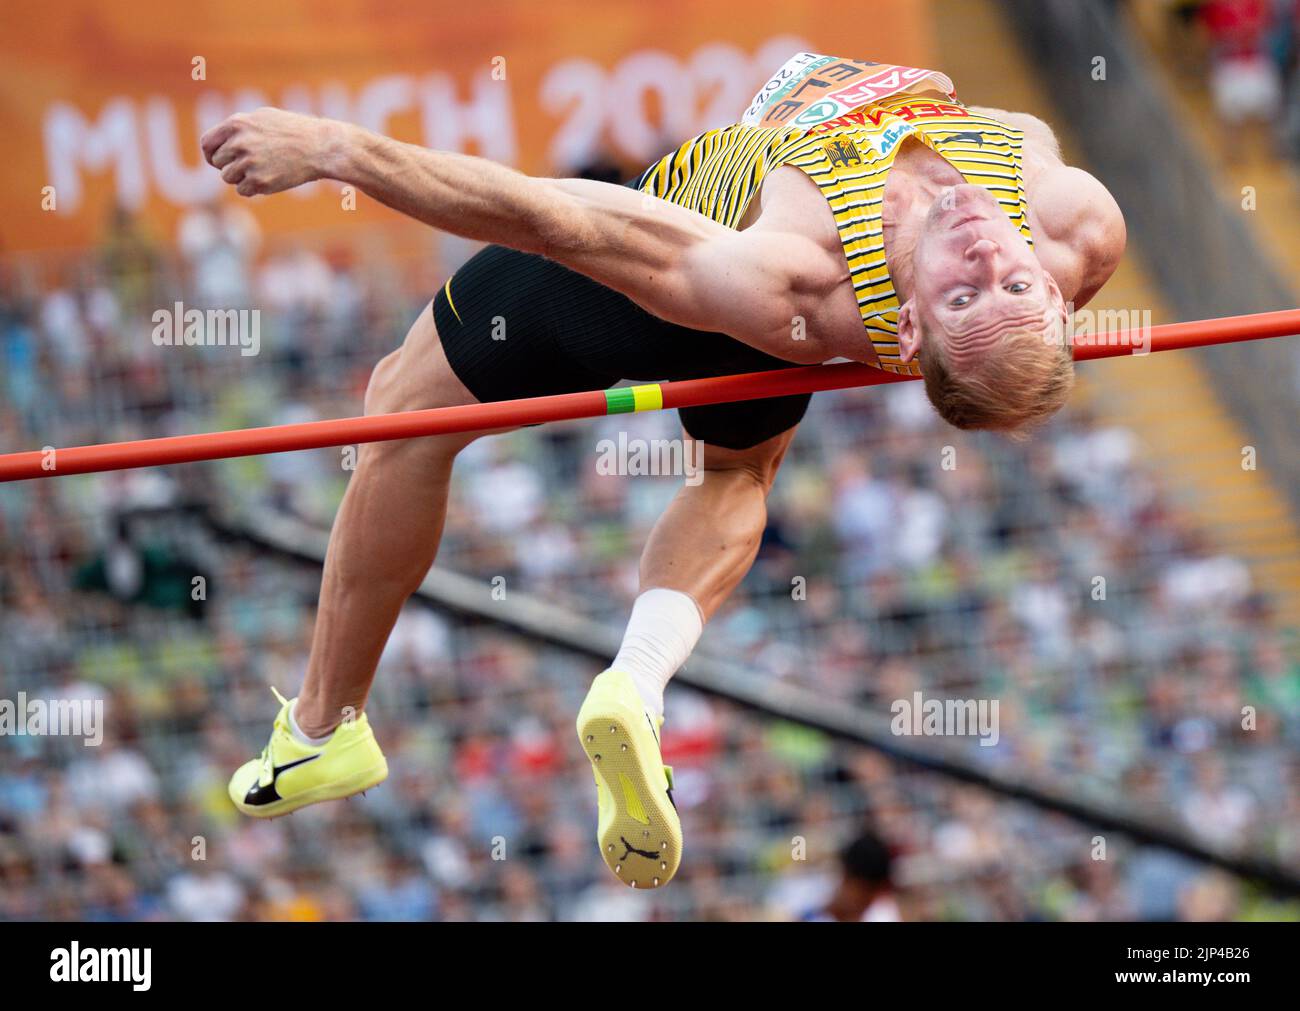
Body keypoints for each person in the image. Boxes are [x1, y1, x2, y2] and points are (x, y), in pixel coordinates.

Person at [202, 54, 1126, 890]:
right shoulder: (1071, 221)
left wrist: (335, 149)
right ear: (1050, 286)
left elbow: (550, 215)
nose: (985, 257)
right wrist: (998, 335)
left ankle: (326, 729)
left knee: (403, 414)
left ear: (915, 327)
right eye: (1009, 286)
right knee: (736, 474)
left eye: (964, 294)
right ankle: (635, 685)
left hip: (674, 270)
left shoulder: (799, 271)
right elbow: (1018, 254)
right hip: (762, 296)